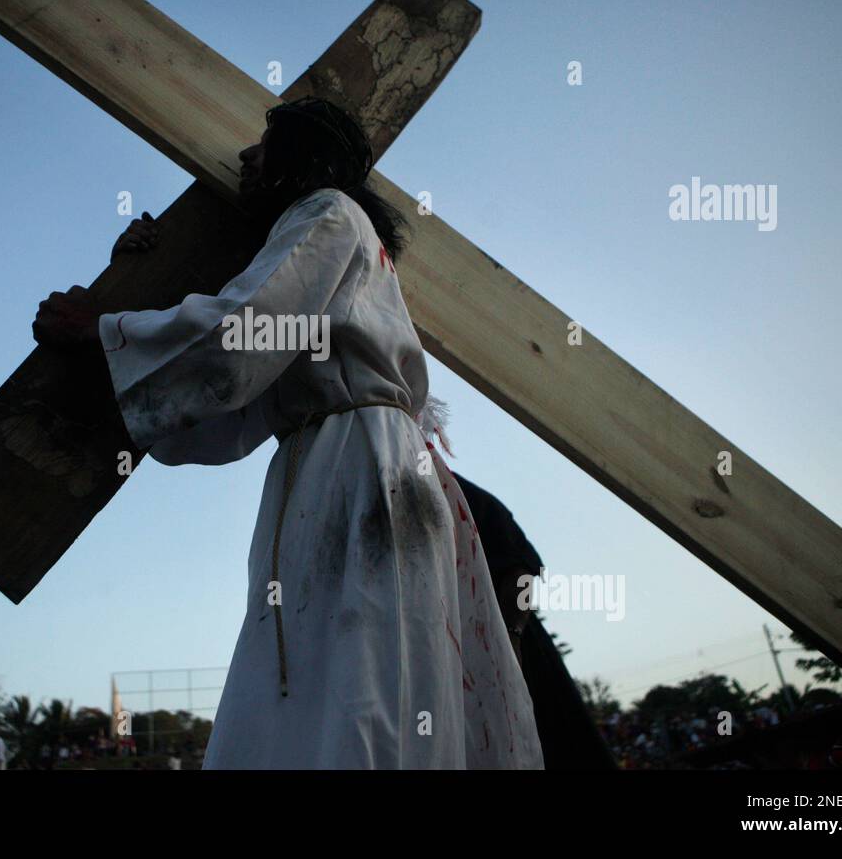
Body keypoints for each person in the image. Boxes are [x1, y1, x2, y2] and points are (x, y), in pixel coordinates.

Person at [34, 97, 543, 769]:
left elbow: (241, 332)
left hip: (361, 473)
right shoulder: (327, 236)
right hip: (338, 465)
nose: (246, 157)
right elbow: (239, 391)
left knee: (358, 676)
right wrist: (137, 297)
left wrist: (104, 330)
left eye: (264, 142)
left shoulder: (329, 212)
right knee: (335, 674)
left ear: (303, 155)